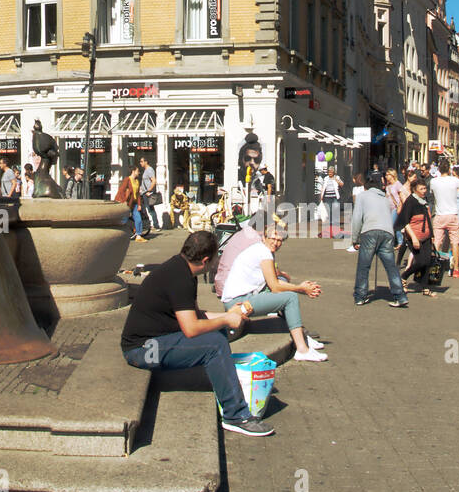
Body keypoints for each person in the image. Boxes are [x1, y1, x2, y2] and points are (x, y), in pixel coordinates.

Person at [120, 230, 272, 438]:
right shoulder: (179, 278)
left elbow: (195, 315)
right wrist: (227, 320)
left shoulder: (181, 270)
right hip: (142, 351)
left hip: (153, 342)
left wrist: (228, 314)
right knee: (214, 345)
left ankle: (228, 393)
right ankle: (236, 416)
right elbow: (191, 328)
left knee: (217, 334)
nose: (218, 261)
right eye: (217, 257)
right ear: (206, 260)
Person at [221, 228, 326, 360]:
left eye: (279, 240)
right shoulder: (264, 253)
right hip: (238, 302)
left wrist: (285, 276)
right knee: (290, 298)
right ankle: (302, 349)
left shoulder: (261, 249)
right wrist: (301, 288)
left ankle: (303, 337)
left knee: (284, 285)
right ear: (264, 238)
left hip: (241, 298)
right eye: (272, 239)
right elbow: (275, 287)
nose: (275, 243)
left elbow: (274, 276)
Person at [351, 169, 407, 307]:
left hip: (370, 230)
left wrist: (355, 238)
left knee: (364, 266)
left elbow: (357, 218)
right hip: (387, 232)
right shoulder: (384, 198)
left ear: (366, 187)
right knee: (391, 266)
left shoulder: (362, 197)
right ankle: (400, 295)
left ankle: (360, 295)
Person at [428, 159, 459, 278]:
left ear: (438, 169)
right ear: (449, 169)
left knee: (437, 242)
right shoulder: (455, 180)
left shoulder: (433, 181)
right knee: (455, 243)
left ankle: (433, 268)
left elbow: (431, 194)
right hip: (453, 215)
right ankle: (456, 269)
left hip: (439, 215)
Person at [395, 177, 437, 295]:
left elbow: (428, 218)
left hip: (427, 236)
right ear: (414, 189)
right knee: (420, 262)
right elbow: (405, 221)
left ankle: (425, 287)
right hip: (414, 236)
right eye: (421, 189)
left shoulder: (424, 200)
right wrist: (413, 238)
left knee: (428, 261)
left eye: (425, 188)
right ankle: (404, 276)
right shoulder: (411, 201)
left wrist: (432, 235)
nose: (424, 191)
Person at [139, 156, 160, 233]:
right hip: (144, 193)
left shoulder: (149, 170)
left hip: (148, 193)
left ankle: (156, 225)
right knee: (145, 209)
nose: (140, 163)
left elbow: (154, 181)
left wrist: (149, 190)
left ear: (146, 162)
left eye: (141, 161)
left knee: (150, 209)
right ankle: (149, 224)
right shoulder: (145, 170)